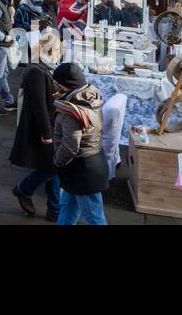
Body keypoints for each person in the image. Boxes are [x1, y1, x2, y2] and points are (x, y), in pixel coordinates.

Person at [10, 31, 62, 221]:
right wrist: (47, 134)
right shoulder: (36, 71)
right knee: (52, 167)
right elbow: (40, 105)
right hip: (41, 128)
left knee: (52, 166)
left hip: (46, 125)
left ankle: (55, 208)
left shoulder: (42, 67)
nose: (59, 52)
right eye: (57, 49)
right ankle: (24, 189)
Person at [51, 62, 109, 225]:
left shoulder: (72, 111)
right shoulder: (90, 96)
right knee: (68, 208)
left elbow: (70, 146)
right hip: (87, 165)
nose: (55, 87)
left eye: (57, 84)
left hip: (83, 171)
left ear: (64, 85)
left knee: (93, 217)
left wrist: (56, 160)